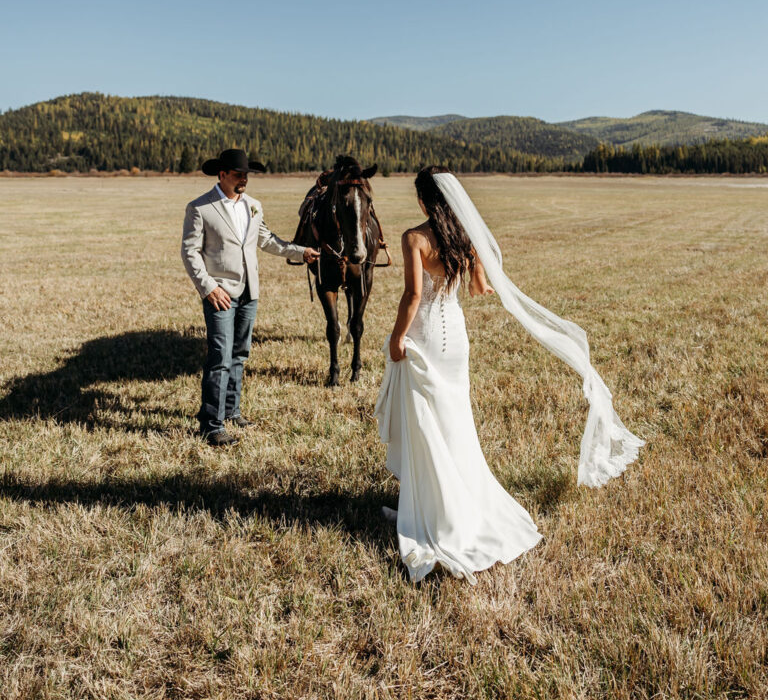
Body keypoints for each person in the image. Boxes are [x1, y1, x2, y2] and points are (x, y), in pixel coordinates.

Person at [374, 166, 643, 584]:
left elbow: (412, 295)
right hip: (456, 341)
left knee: (428, 423)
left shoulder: (415, 238)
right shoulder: (460, 235)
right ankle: (431, 500)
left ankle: (433, 512)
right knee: (455, 423)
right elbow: (481, 285)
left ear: (424, 201)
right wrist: (476, 274)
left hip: (426, 338)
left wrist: (396, 338)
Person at [181, 148, 319, 446]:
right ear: (222, 175)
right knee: (219, 357)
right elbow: (189, 252)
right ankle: (211, 424)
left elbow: (267, 240)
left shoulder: (254, 206)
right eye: (238, 174)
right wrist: (208, 287)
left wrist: (300, 251)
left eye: (246, 174)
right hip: (219, 294)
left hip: (250, 292)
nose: (244, 179)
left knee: (240, 355)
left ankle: (232, 410)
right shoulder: (200, 207)